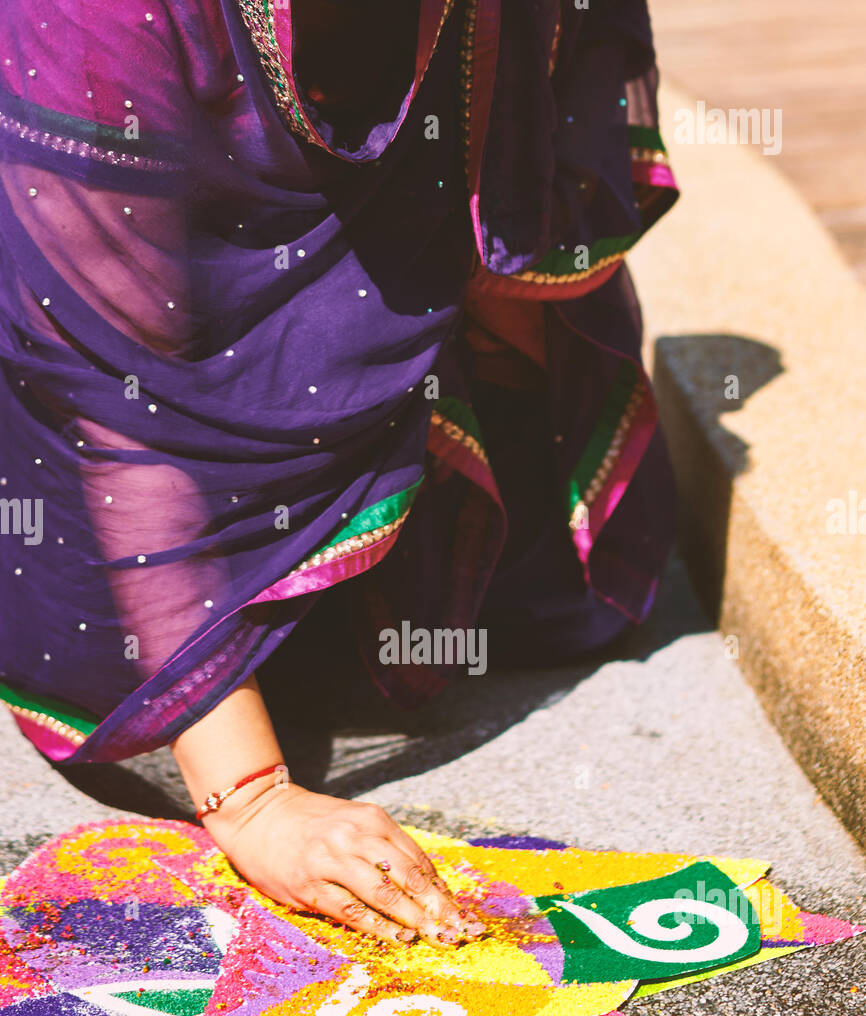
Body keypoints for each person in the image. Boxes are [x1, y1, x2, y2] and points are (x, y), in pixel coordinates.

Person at [0, 0, 678, 946]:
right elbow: (101, 382)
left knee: (545, 595)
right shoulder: (89, 20)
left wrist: (460, 299)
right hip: (132, 375)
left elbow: (557, 148)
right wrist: (253, 800)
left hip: (392, 306)